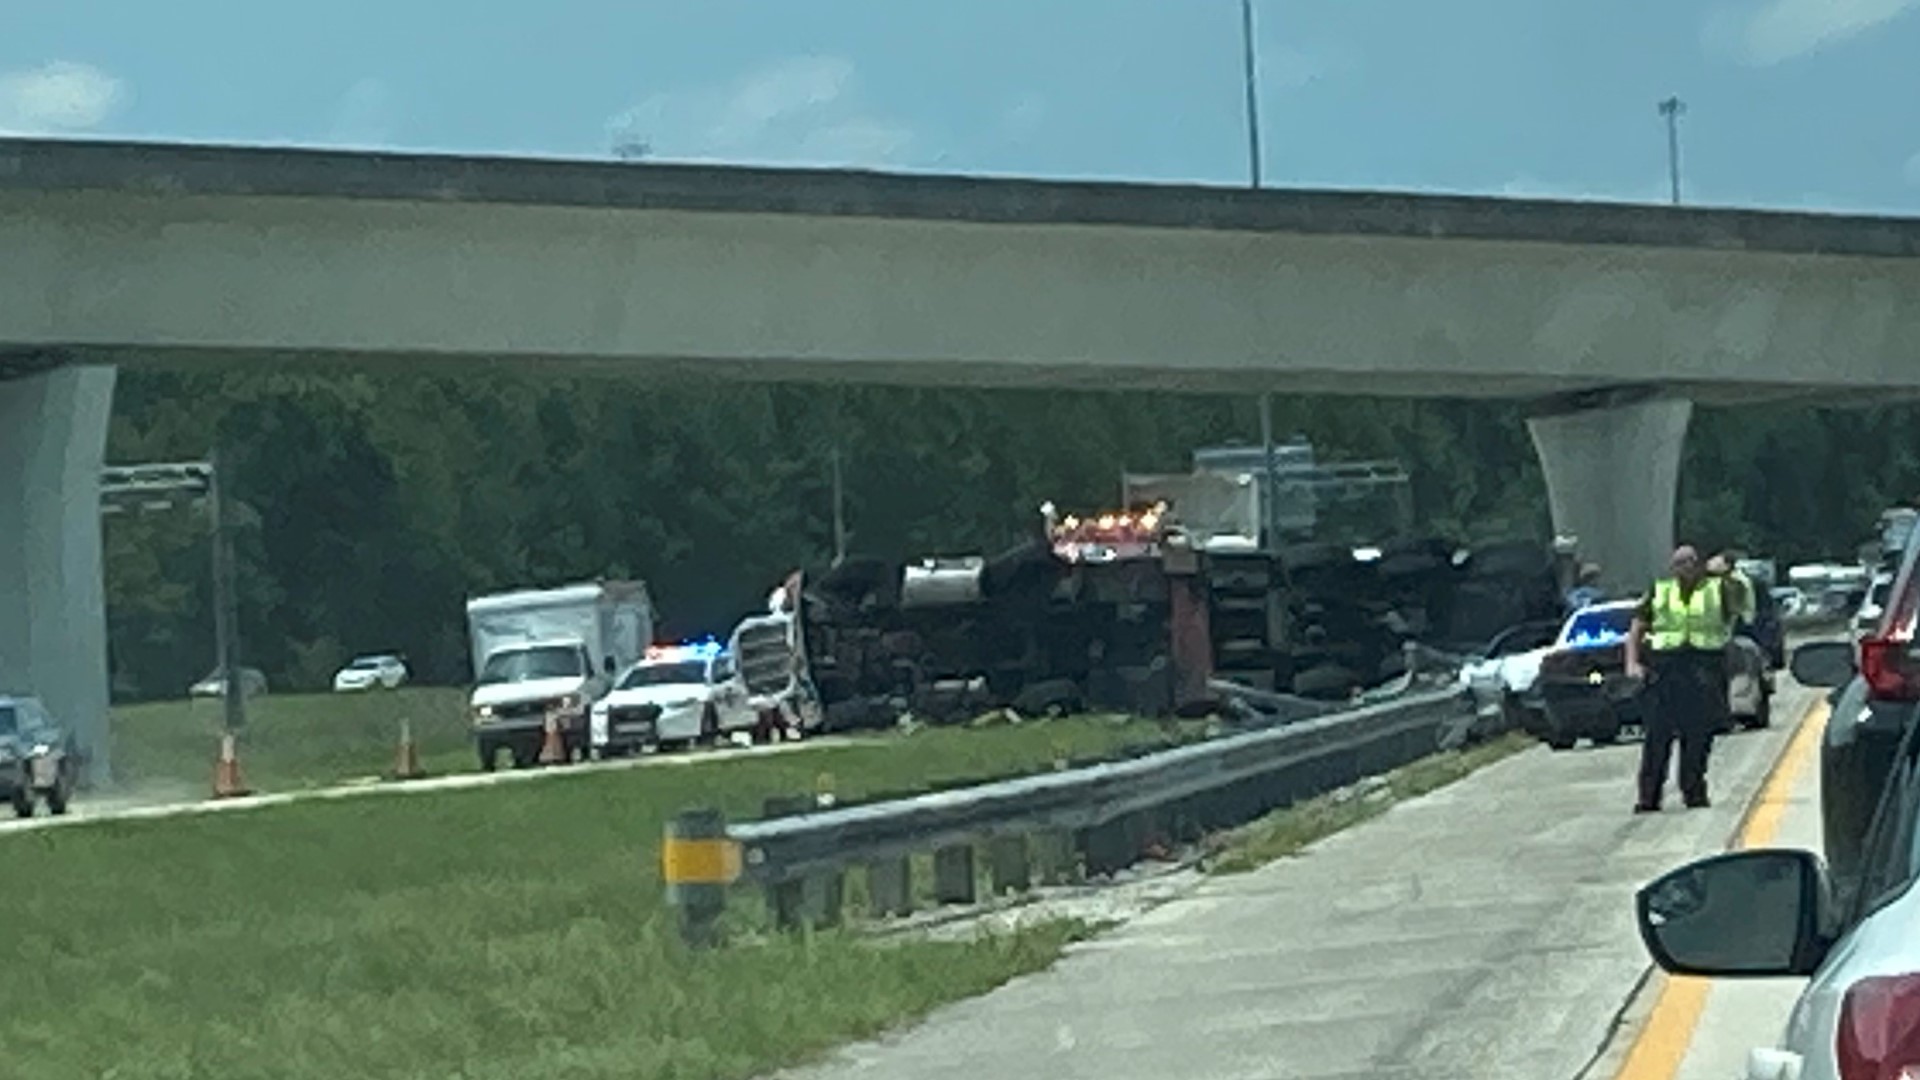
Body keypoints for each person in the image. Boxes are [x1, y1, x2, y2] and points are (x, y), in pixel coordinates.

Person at [1625, 545, 1746, 813]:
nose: (1688, 566)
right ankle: (1649, 797)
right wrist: (1632, 662)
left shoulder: (1719, 588)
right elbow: (1637, 626)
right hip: (1665, 669)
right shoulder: (1660, 590)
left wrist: (1726, 572)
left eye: (1692, 561)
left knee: (1698, 737)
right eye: (1681, 562)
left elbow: (1742, 603)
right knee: (1657, 736)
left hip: (1703, 667)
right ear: (1673, 567)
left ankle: (1694, 792)